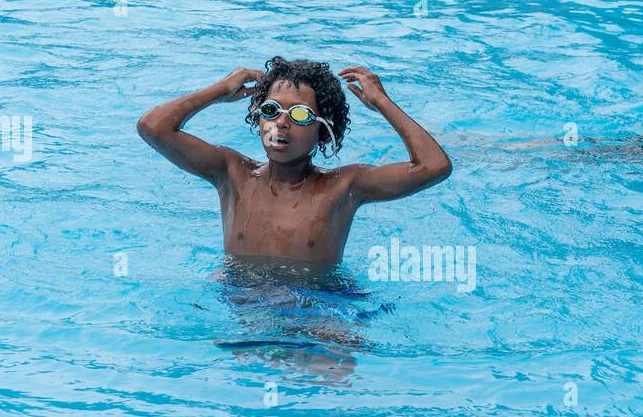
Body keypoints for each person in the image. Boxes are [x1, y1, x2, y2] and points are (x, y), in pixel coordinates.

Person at [136, 57, 452, 265]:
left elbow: (433, 166)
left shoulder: (346, 187)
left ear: (324, 133)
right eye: (272, 111)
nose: (281, 124)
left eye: (300, 115)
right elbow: (153, 127)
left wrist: (382, 102)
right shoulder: (232, 174)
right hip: (243, 300)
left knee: (337, 367)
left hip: (320, 306)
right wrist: (219, 90)